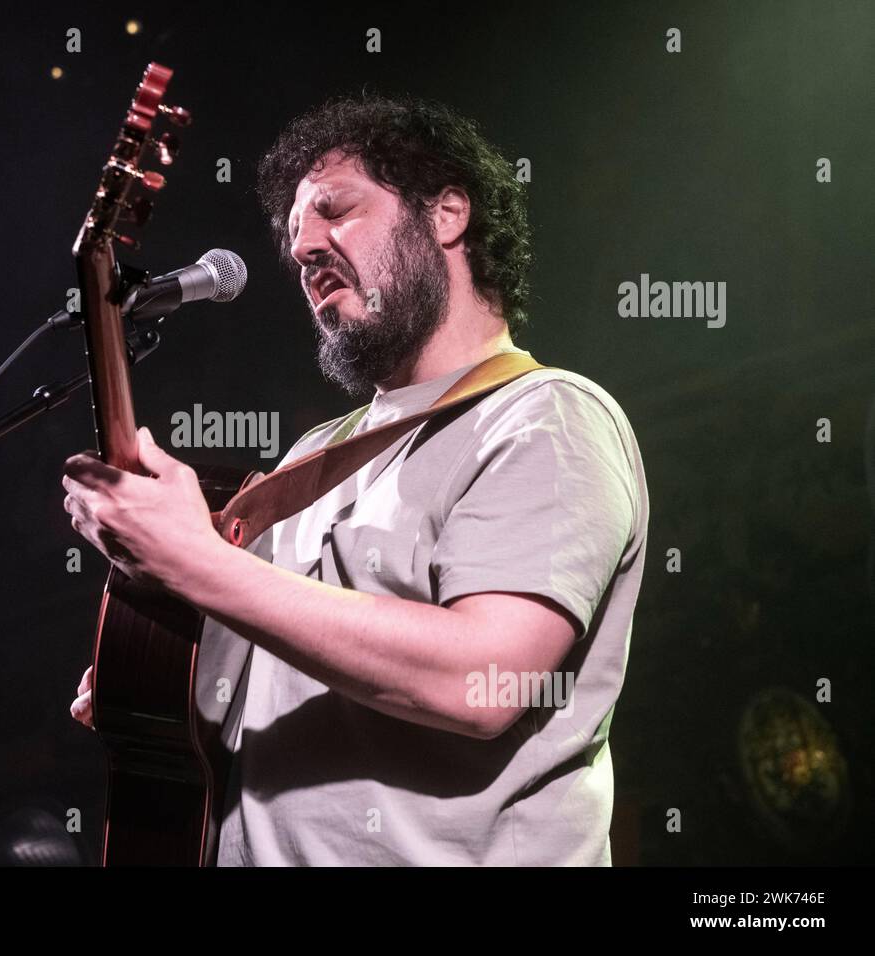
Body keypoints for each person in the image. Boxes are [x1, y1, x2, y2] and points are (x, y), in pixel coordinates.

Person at [62, 93, 648, 866]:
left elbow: (485, 682)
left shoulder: (547, 417)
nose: (303, 247)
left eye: (335, 209)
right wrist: (161, 685)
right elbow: (268, 694)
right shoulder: (310, 457)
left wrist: (195, 561)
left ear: (446, 214)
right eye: (292, 232)